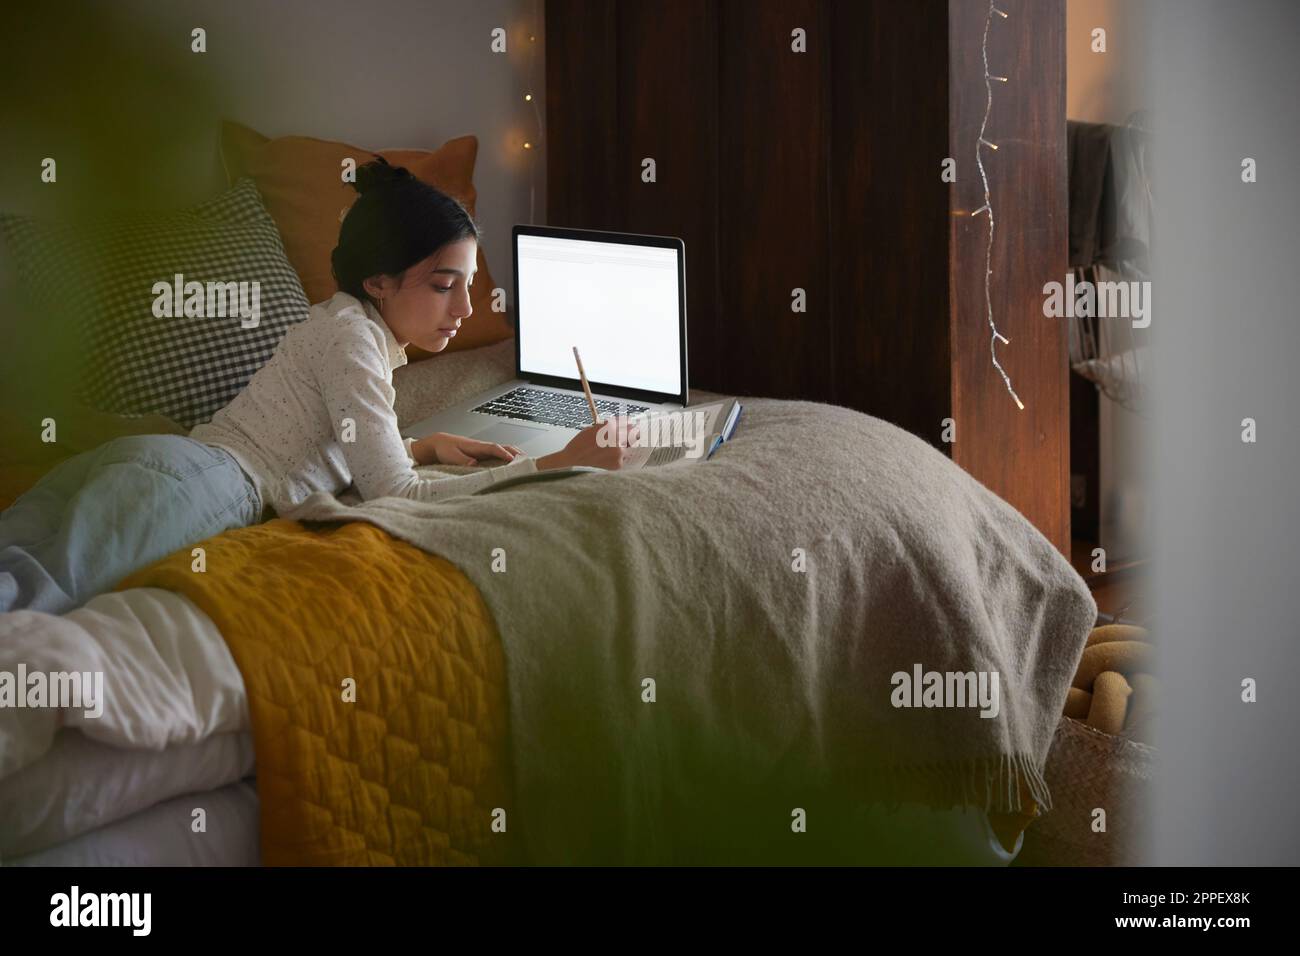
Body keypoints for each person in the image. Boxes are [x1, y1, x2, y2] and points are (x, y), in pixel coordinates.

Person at [0, 158, 636, 615]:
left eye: (469, 283)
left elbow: (330, 439)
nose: (467, 307)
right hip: (209, 485)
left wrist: (420, 444)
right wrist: (558, 462)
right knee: (32, 601)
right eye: (445, 285)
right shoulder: (354, 343)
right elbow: (398, 495)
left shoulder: (344, 324)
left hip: (164, 465)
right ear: (379, 280)